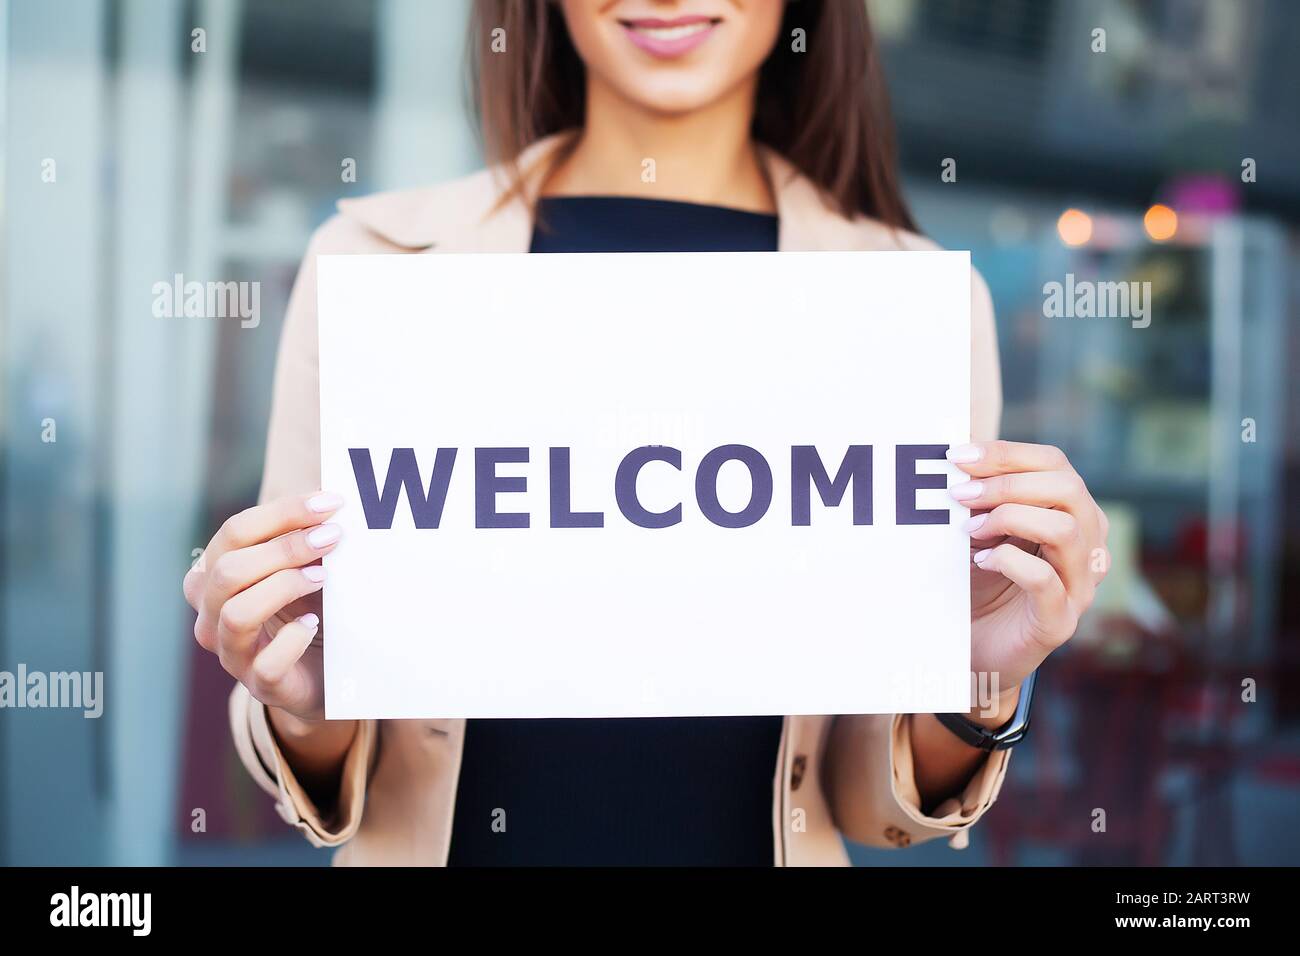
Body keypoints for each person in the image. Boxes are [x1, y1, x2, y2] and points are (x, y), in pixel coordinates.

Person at [183, 0, 1109, 866]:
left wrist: (977, 675)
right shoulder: (372, 269)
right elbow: (319, 736)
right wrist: (305, 700)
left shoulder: (911, 310)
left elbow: (872, 800)